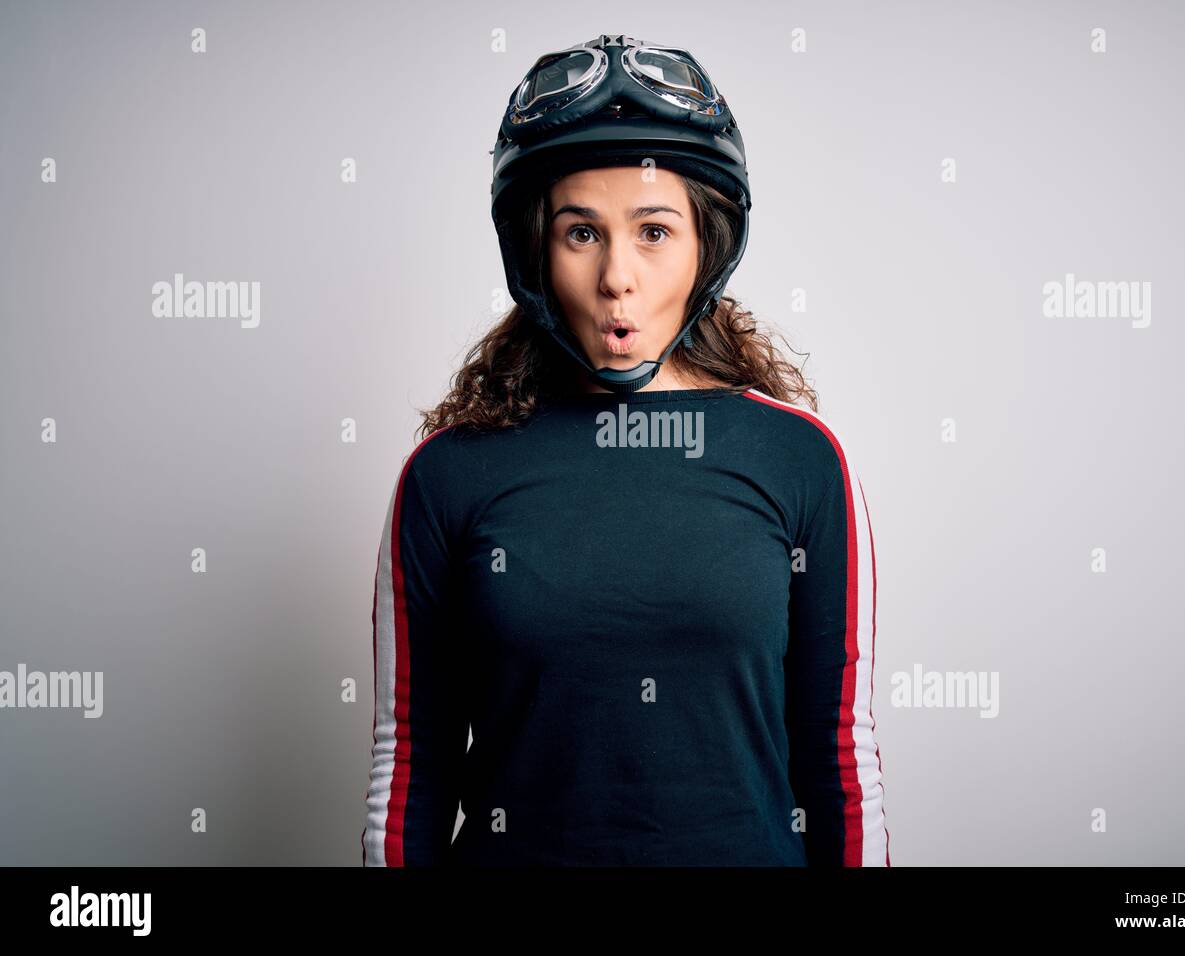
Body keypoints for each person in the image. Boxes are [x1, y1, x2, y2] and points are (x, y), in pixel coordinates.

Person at [362, 34, 890, 866]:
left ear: (705, 247)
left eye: (653, 230)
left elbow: (840, 762)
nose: (617, 276)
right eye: (581, 233)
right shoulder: (448, 474)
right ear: (534, 251)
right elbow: (411, 764)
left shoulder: (802, 461)